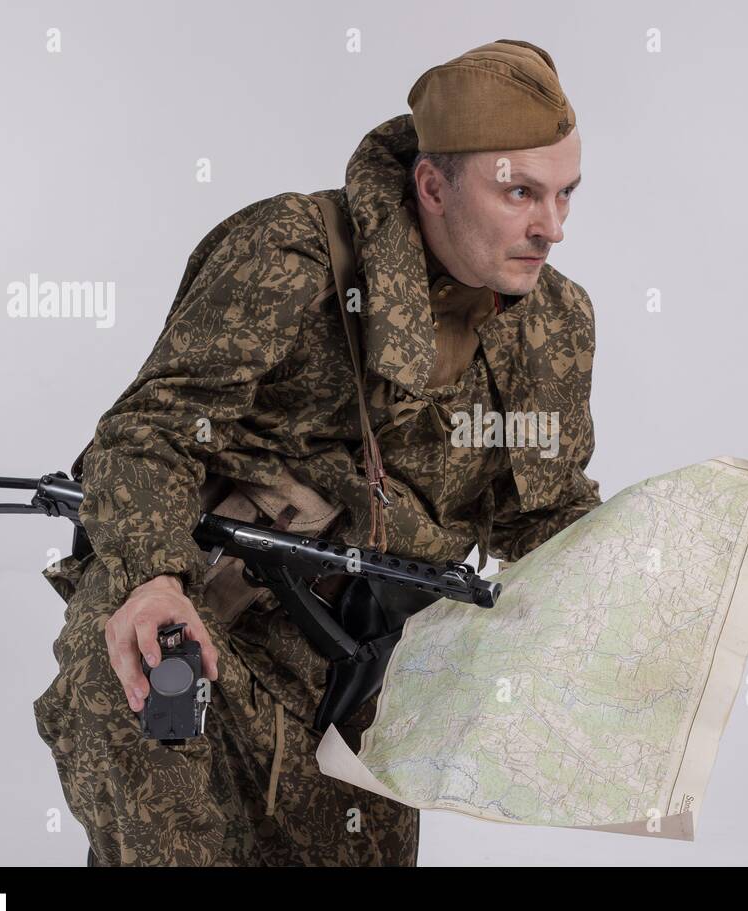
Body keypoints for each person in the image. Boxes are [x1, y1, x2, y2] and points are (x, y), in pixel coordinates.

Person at [32, 38, 601, 866]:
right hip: (212, 631)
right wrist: (152, 577)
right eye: (520, 193)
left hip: (360, 695)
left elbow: (545, 513)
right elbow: (148, 433)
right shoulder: (294, 256)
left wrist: (635, 590)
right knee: (127, 678)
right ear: (432, 186)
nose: (551, 227)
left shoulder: (554, 323)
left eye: (564, 194)